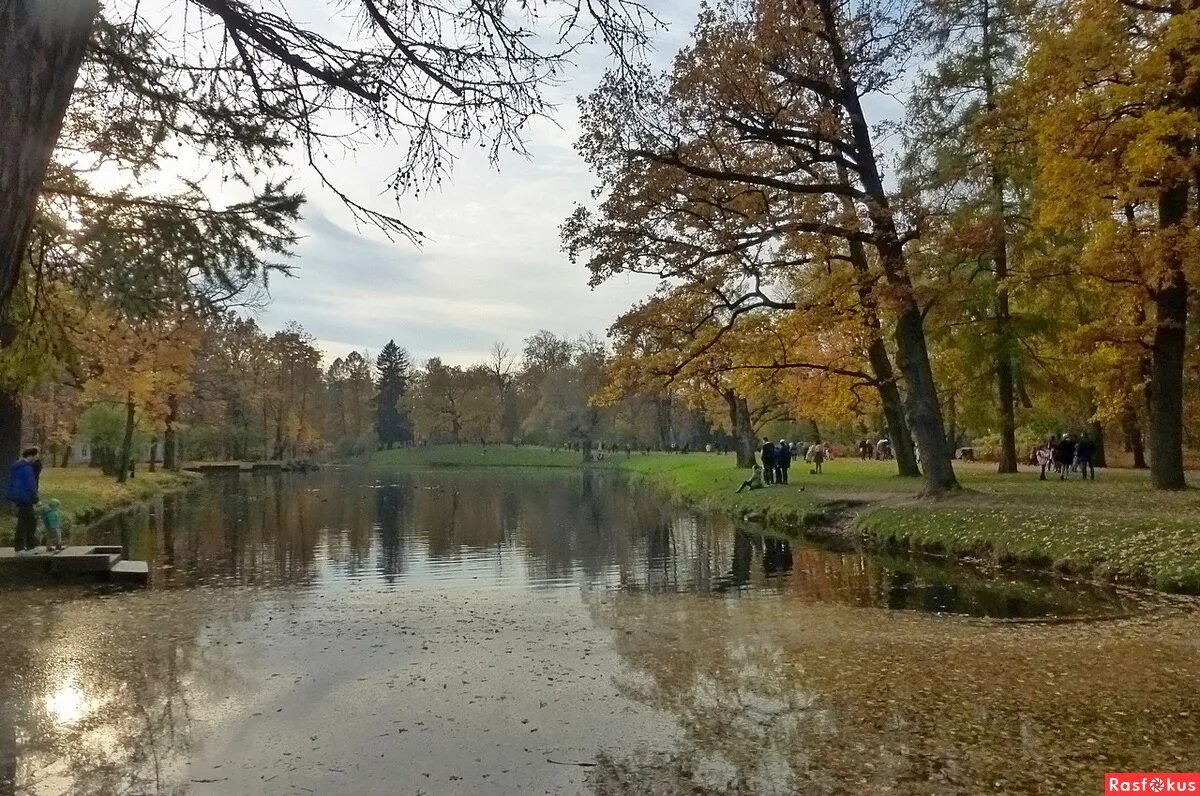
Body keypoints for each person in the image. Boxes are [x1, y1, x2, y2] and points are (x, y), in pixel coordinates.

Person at [6, 448, 41, 553]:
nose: (37, 458)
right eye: (36, 456)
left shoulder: (18, 467)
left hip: (19, 497)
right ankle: (22, 547)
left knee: (27, 521)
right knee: (27, 522)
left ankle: (27, 546)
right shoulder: (26, 468)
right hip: (25, 498)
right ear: (31, 455)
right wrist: (36, 499)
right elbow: (30, 484)